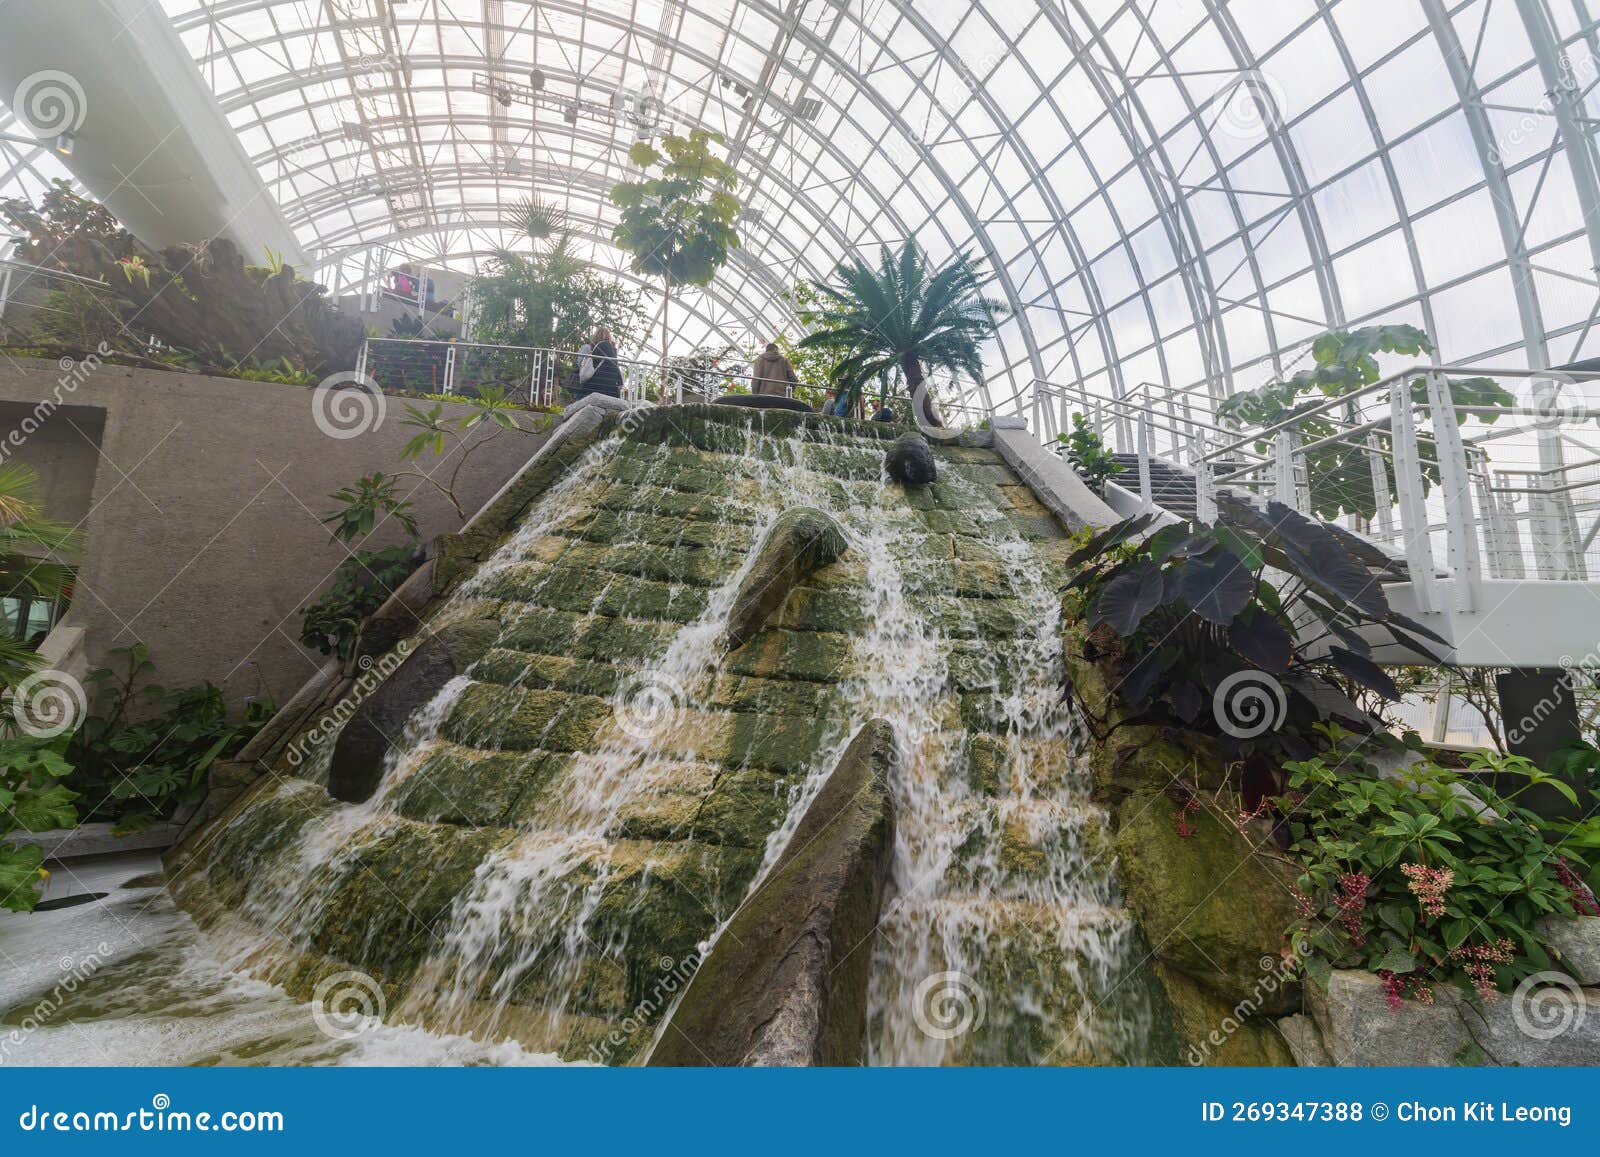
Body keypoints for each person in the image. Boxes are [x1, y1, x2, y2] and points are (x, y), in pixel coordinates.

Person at [578, 326, 623, 398]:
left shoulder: (593, 347)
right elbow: (614, 364)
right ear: (608, 336)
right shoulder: (608, 346)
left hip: (594, 381)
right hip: (607, 382)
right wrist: (620, 382)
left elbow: (580, 362)